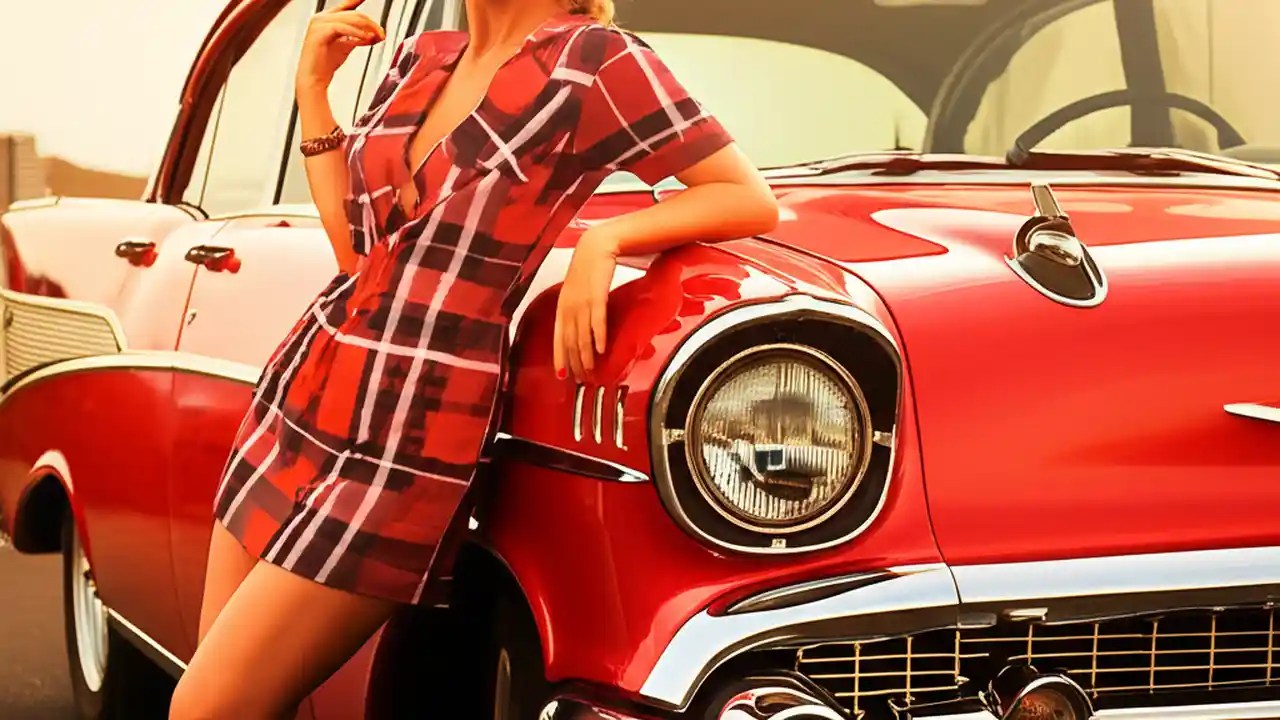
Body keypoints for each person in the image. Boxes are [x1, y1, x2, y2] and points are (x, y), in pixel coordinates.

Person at [169, 0, 778, 716]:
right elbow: (357, 255)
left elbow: (744, 194)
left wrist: (603, 242)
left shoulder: (592, 62)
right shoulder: (421, 58)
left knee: (208, 706)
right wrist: (314, 91)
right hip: (304, 393)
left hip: (412, 430)